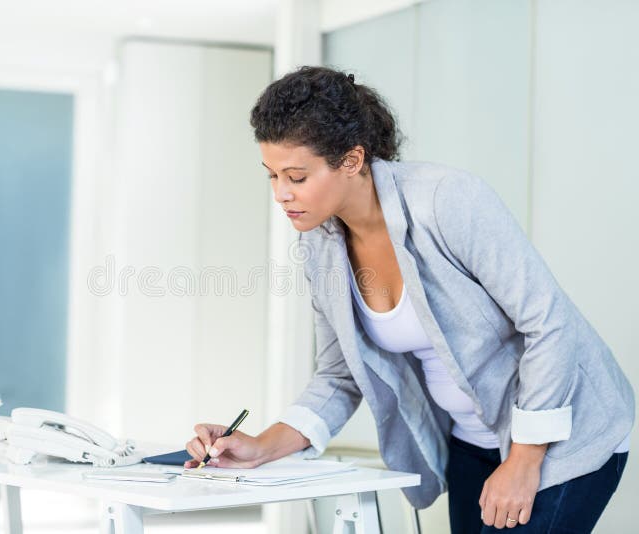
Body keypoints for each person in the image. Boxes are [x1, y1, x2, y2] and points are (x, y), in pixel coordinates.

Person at [184, 66, 634, 533]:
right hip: (471, 444)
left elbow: (548, 321)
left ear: (352, 160)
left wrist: (523, 460)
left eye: (296, 176)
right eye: (272, 175)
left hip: (560, 435)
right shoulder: (321, 247)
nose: (281, 193)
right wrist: (260, 445)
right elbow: (339, 376)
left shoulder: (445, 200)